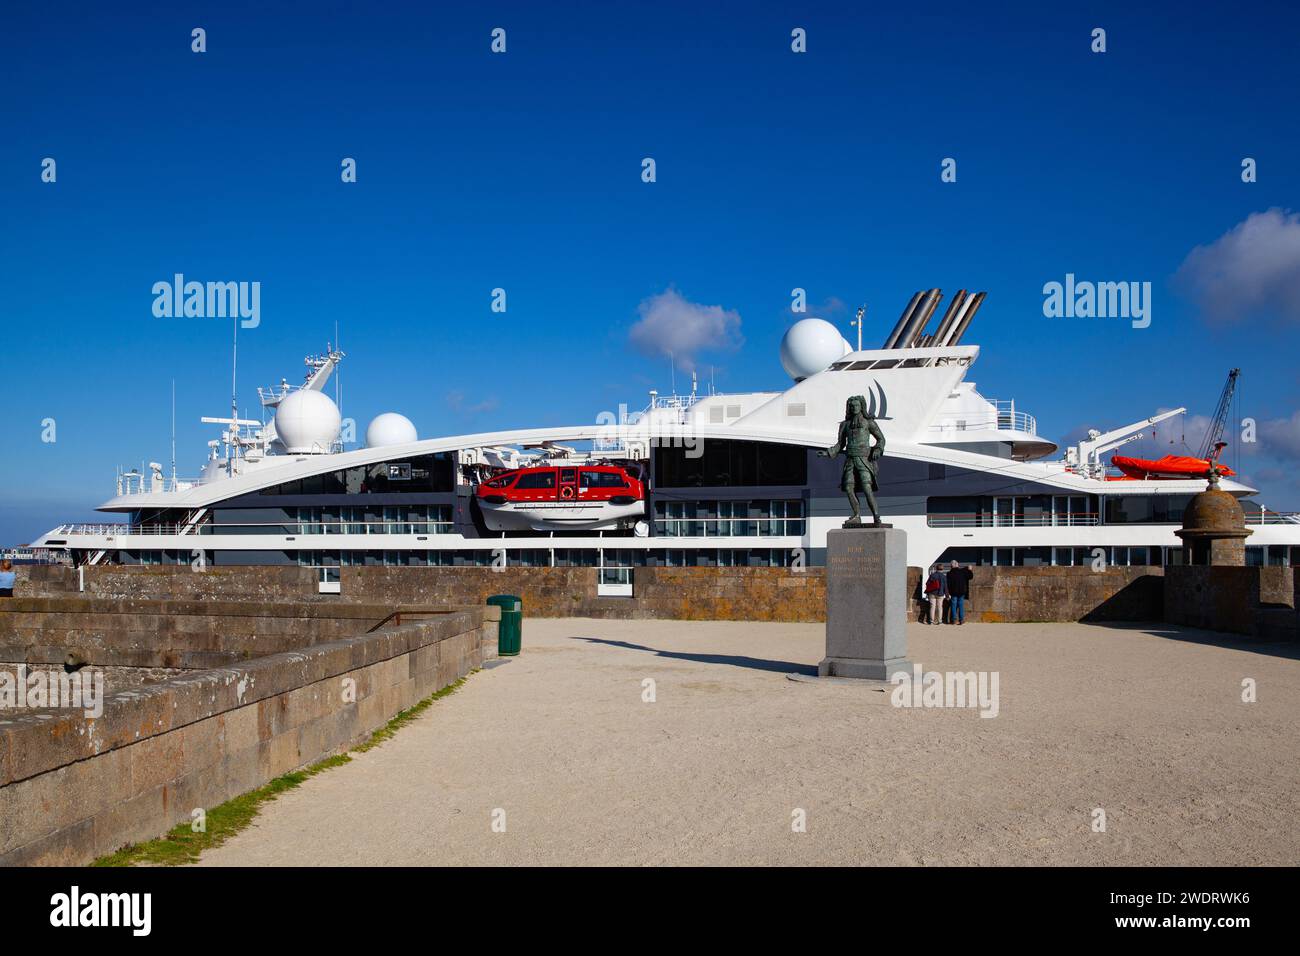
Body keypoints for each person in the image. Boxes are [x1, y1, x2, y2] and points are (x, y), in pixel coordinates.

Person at [947, 559, 973, 625]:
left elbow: (948, 584)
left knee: (953, 605)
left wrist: (948, 592)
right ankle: (961, 620)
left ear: (951, 566)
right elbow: (970, 577)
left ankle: (954, 620)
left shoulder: (949, 573)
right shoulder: (963, 571)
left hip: (953, 592)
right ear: (958, 565)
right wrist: (970, 570)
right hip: (962, 591)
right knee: (961, 605)